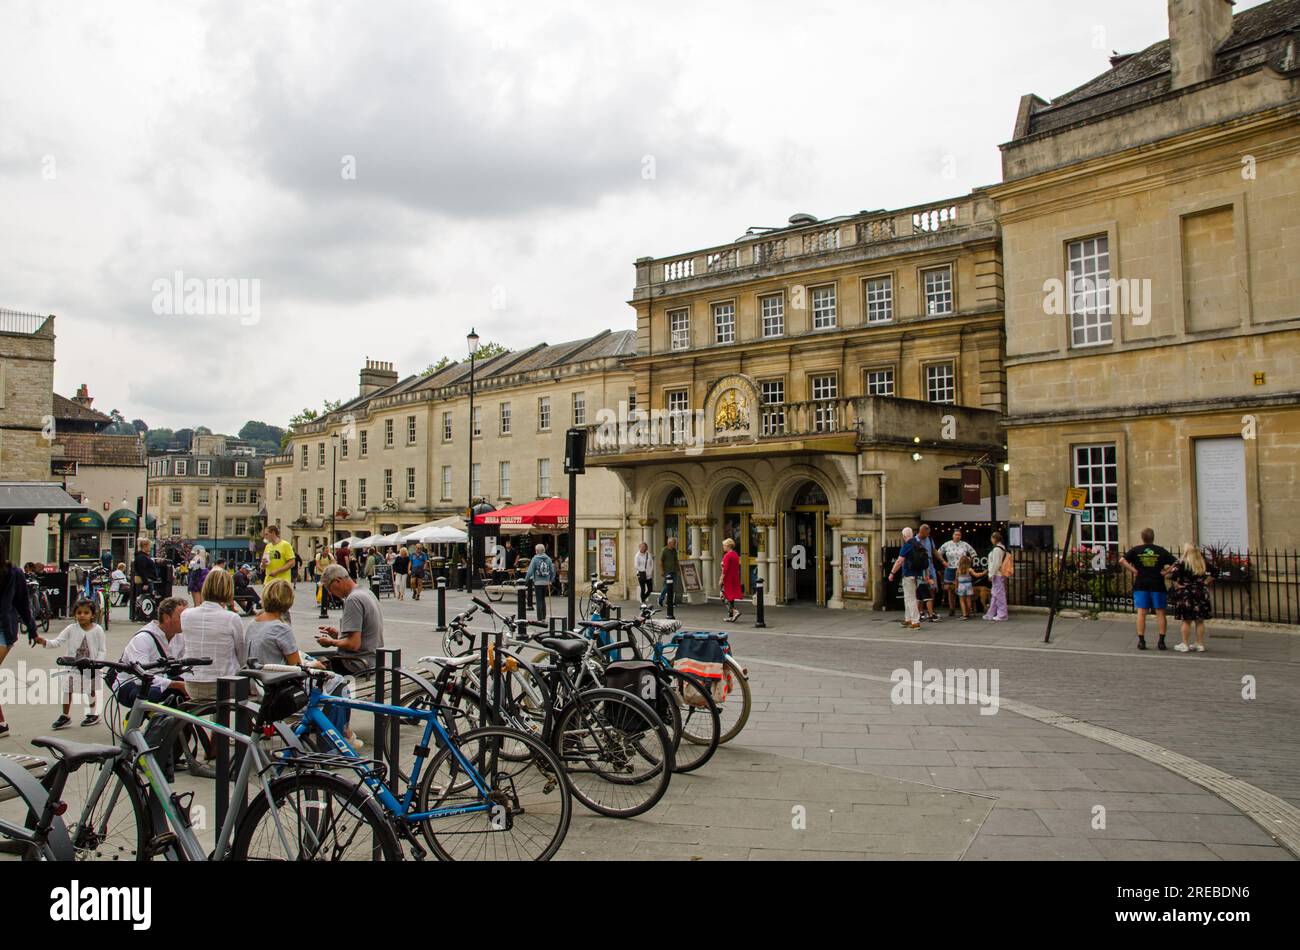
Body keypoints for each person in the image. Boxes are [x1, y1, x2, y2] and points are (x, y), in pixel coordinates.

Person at [36, 597, 107, 729]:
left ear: (93, 615)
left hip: (90, 666)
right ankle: (65, 715)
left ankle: (92, 714)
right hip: (73, 665)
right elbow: (58, 641)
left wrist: (97, 663)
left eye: (86, 613)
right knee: (67, 689)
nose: (82, 615)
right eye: (79, 612)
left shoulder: (98, 630)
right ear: (74, 614)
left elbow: (102, 649)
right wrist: (45, 642)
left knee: (90, 691)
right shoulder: (71, 628)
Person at [179, 569, 247, 703]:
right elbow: (242, 656)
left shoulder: (186, 615)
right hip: (223, 683)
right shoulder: (231, 618)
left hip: (192, 683)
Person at [315, 564, 385, 676]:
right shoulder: (367, 592)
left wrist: (331, 642)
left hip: (357, 664)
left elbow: (353, 644)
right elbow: (362, 636)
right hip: (372, 660)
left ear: (337, 581)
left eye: (329, 588)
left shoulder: (353, 599)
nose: (331, 594)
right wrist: (338, 635)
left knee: (315, 665)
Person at [0, 555, 39, 738]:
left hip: (2, 629)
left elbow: (22, 603)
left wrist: (31, 627)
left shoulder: (14, 573)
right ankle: (1, 723)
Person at [1120, 528, 1177, 651]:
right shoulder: (1160, 550)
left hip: (1141, 583)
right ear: (1153, 537)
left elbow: (1122, 560)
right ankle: (1161, 641)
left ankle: (1141, 641)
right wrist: (1166, 572)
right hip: (1157, 583)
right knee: (1160, 612)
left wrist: (1134, 570)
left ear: (1142, 538)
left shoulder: (1136, 550)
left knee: (1142, 612)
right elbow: (1177, 563)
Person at [1168, 543, 1213, 653]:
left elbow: (1173, 576)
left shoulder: (1182, 563)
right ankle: (1200, 643)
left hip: (1186, 593)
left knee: (1186, 620)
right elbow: (1216, 571)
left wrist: (1177, 584)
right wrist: (1206, 581)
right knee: (1200, 620)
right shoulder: (1202, 562)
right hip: (1201, 592)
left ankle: (1185, 643)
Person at [886, 527, 924, 630]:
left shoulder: (907, 546)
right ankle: (908, 619)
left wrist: (892, 573)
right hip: (919, 575)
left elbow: (899, 561)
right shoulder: (919, 544)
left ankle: (915, 622)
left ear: (904, 536)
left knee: (910, 598)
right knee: (908, 597)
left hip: (909, 575)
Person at [938, 529, 977, 618]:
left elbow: (973, 553)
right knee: (950, 589)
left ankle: (967, 610)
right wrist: (943, 561)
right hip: (950, 568)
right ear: (953, 535)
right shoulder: (947, 544)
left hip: (961, 569)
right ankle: (952, 608)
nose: (957, 536)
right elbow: (938, 553)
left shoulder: (965, 544)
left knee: (963, 590)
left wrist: (968, 561)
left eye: (959, 535)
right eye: (956, 534)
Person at [983, 532, 1010, 621]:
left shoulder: (997, 550)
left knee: (999, 595)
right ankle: (991, 613)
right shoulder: (1001, 548)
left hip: (997, 574)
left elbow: (996, 563)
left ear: (994, 539)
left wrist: (991, 574)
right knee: (995, 595)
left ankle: (1002, 615)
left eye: (991, 538)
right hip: (998, 574)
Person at [916, 524, 941, 622]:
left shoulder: (929, 540)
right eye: (927, 533)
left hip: (929, 567)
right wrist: (928, 579)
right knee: (924, 595)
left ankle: (928, 612)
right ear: (921, 531)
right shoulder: (915, 541)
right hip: (921, 571)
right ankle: (925, 613)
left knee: (931, 590)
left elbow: (934, 550)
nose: (928, 535)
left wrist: (942, 560)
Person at [260, 525, 296, 590]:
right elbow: (263, 565)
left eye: (266, 534)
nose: (265, 537)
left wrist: (277, 571)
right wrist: (263, 564)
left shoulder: (285, 545)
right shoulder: (268, 546)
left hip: (282, 582)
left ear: (273, 533)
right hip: (268, 581)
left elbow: (292, 563)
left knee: (280, 600)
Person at [525, 544, 555, 622]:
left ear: (537, 551)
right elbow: (552, 571)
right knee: (543, 599)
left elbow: (530, 571)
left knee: (539, 600)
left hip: (538, 582)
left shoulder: (535, 559)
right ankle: (544, 617)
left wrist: (525, 581)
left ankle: (539, 618)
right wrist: (551, 580)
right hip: (546, 582)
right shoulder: (548, 559)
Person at [132, 538, 159, 620]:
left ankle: (145, 614)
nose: (150, 548)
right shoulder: (141, 557)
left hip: (147, 580)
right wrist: (145, 583)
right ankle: (143, 615)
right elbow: (142, 570)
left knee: (146, 598)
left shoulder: (143, 556)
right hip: (145, 581)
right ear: (145, 546)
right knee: (145, 598)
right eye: (149, 546)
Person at [720, 537, 743, 623]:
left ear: (728, 546)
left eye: (724, 545)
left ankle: (734, 611)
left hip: (728, 579)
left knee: (723, 596)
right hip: (734, 577)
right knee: (730, 596)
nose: (723, 547)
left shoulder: (727, 555)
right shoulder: (735, 555)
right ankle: (731, 616)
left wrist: (721, 578)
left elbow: (725, 569)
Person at [955, 554, 982, 621]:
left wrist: (956, 587)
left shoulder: (958, 570)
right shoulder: (969, 569)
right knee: (968, 600)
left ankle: (964, 614)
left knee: (962, 601)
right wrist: (983, 573)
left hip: (961, 586)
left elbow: (956, 580)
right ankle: (968, 613)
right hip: (969, 585)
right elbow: (976, 575)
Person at [658, 537, 679, 606]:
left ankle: (669, 601)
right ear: (669, 543)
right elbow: (661, 561)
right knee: (666, 586)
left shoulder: (674, 550)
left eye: (675, 543)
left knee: (673, 587)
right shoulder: (664, 550)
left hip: (674, 571)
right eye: (674, 543)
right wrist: (662, 571)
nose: (675, 544)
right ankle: (660, 599)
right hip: (667, 571)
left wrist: (678, 569)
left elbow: (676, 560)